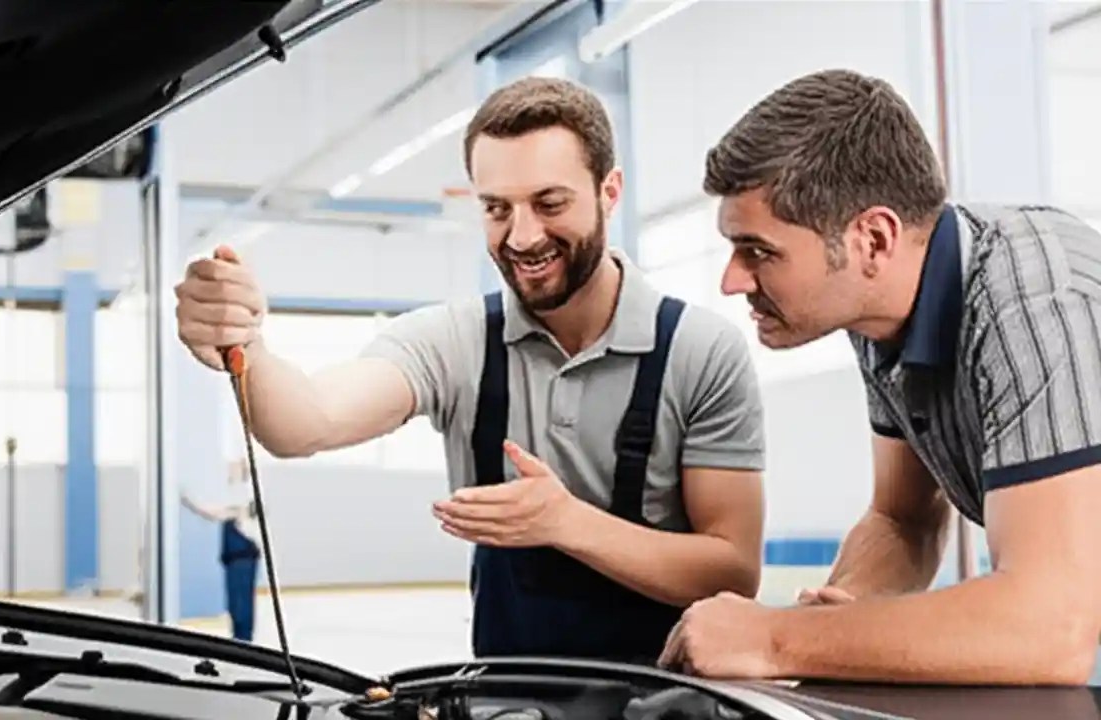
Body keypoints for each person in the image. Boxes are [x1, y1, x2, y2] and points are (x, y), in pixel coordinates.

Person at [174, 76, 767, 665]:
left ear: (609, 192)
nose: (524, 235)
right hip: (500, 702)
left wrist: (567, 523)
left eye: (550, 203)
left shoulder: (701, 351)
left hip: (667, 704)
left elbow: (733, 571)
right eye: (497, 209)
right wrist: (245, 345)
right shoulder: (456, 343)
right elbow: (305, 424)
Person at [658, 68, 1101, 686]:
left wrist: (779, 638)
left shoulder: (1038, 303)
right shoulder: (881, 317)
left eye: (758, 250)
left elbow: (1050, 629)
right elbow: (903, 519)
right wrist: (839, 613)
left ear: (872, 238)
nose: (731, 281)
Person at [181, 461, 261, 643]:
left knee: (241, 605)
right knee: (236, 604)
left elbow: (216, 513)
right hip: (235, 557)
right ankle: (241, 639)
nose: (229, 470)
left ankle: (244, 642)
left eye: (234, 467)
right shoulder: (235, 494)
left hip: (243, 556)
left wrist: (189, 502)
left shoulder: (243, 494)